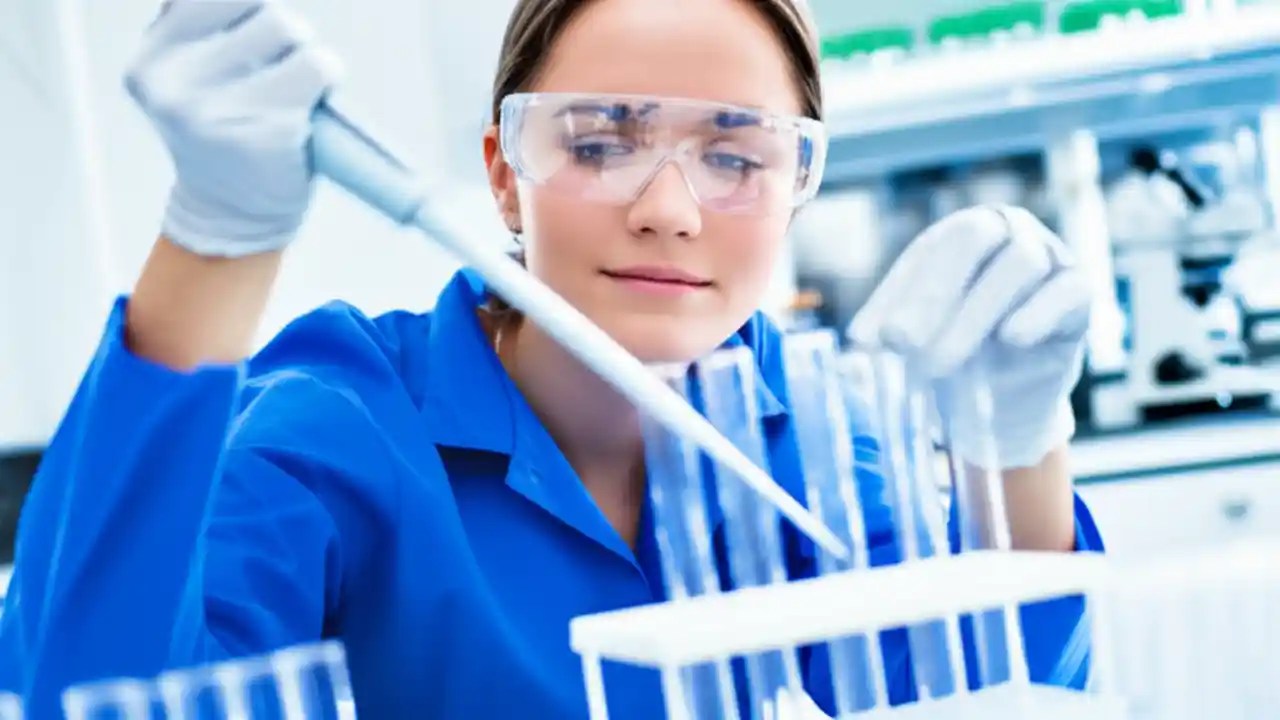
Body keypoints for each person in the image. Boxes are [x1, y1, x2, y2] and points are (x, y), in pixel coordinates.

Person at [0, 0, 1103, 717]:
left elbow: (979, 691)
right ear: (501, 171)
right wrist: (214, 239)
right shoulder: (344, 424)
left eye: (734, 155)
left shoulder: (810, 440)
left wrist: (1013, 450)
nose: (668, 210)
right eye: (599, 143)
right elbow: (87, 693)